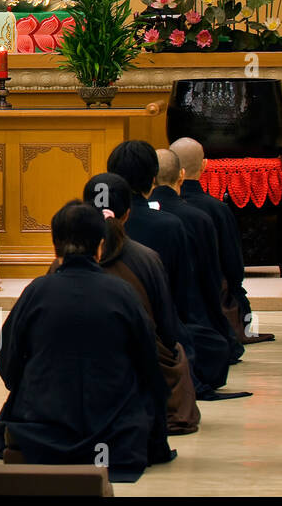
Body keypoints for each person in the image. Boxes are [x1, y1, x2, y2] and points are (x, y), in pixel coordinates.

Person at [0, 201, 173, 482]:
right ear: (100, 246)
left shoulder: (37, 291)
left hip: (41, 436)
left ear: (55, 246)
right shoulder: (122, 293)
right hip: (115, 439)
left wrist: (24, 387)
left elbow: (6, 355)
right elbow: (149, 365)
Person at [106, 141, 243, 399]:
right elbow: (186, 294)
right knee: (212, 345)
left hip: (102, 333)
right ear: (153, 178)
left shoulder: (94, 226)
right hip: (159, 331)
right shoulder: (169, 225)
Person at [84, 173, 200, 435]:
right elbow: (168, 331)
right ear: (127, 214)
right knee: (180, 350)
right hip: (134, 382)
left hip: (72, 388)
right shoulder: (147, 259)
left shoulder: (60, 265)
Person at [170, 137, 273, 345]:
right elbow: (233, 265)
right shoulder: (217, 209)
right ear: (205, 164)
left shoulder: (156, 208)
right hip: (212, 301)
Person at [150, 149, 243, 367]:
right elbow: (229, 271)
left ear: (152, 177)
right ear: (180, 175)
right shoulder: (204, 216)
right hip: (195, 314)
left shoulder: (133, 216)